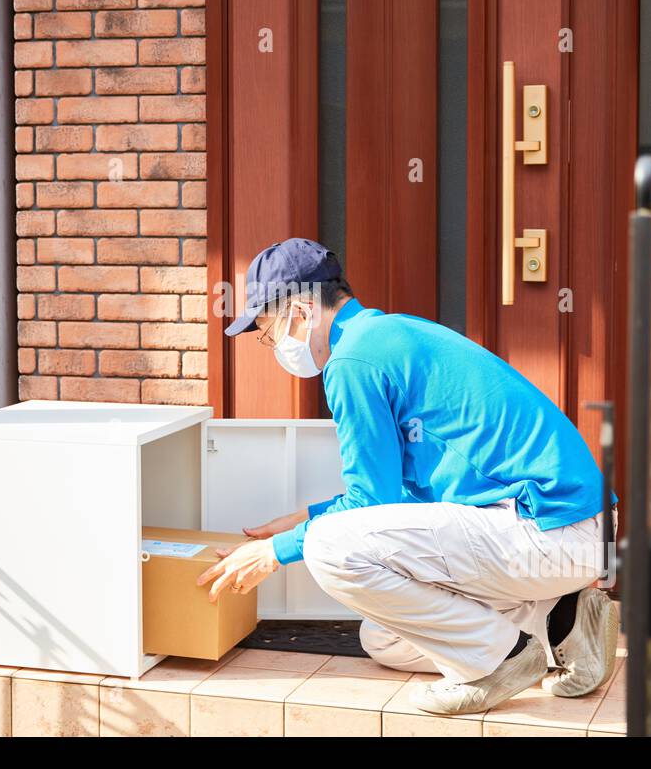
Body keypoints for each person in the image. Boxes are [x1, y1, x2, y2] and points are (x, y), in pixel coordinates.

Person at [195, 238, 619, 716]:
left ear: (299, 310)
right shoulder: (385, 335)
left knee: (328, 548)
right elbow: (392, 497)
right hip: (576, 535)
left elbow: (370, 504)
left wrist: (278, 550)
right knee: (385, 641)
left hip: (550, 529)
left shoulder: (352, 361)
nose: (270, 344)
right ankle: (561, 621)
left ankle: (498, 661)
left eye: (267, 330)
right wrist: (306, 516)